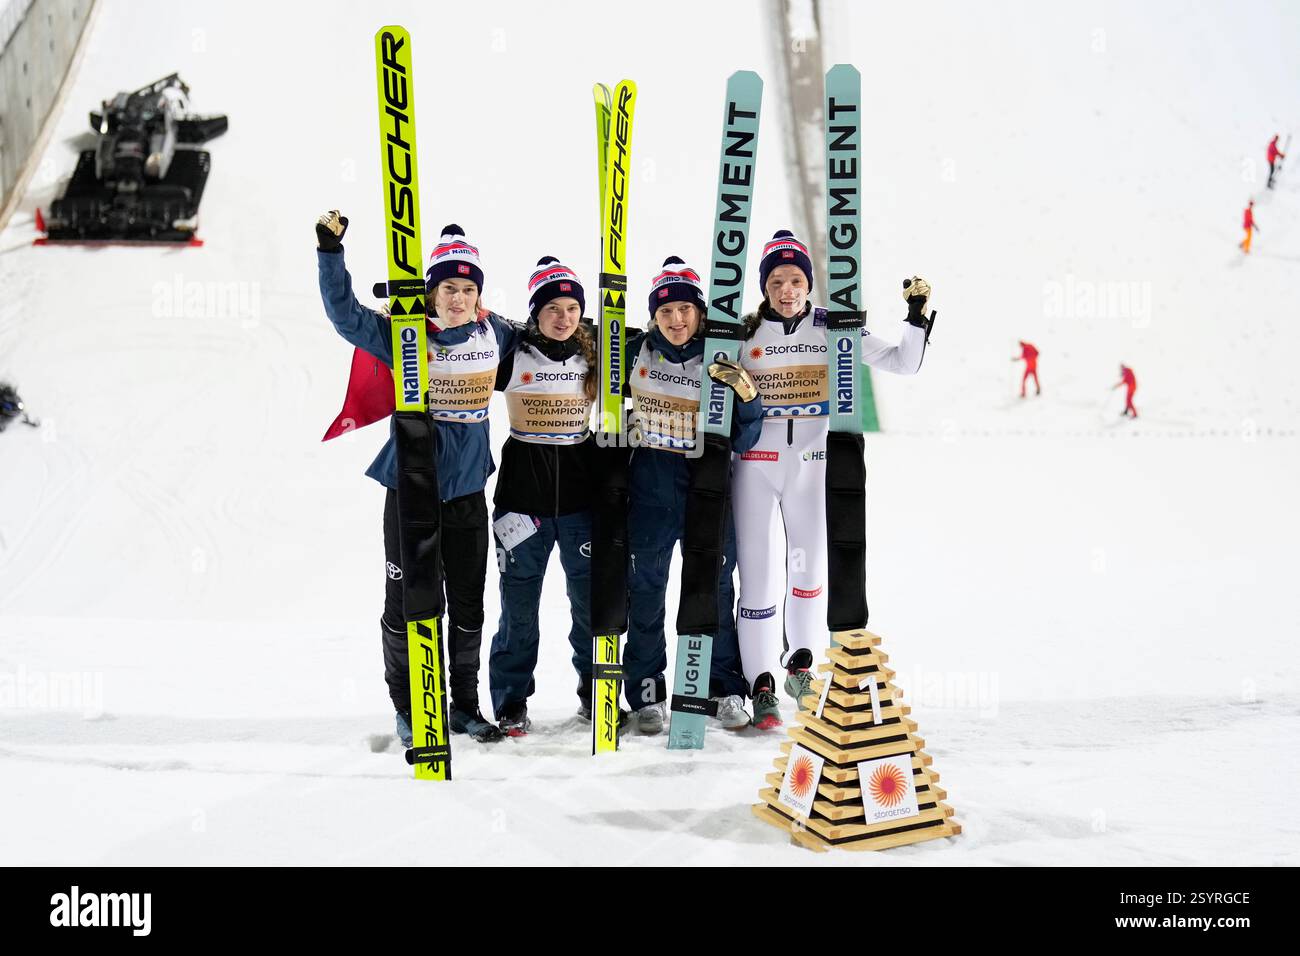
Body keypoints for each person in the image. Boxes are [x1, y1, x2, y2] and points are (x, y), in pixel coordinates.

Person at [316, 211, 515, 745]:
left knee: (468, 602)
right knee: (406, 601)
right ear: (431, 293)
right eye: (448, 288)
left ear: (479, 295)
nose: (458, 299)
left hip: (469, 493)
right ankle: (409, 707)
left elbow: (552, 343)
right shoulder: (403, 333)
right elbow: (344, 316)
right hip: (411, 489)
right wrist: (330, 255)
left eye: (467, 289)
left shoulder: (494, 332)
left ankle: (465, 706)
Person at [734, 230, 932, 730]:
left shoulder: (832, 328)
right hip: (755, 465)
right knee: (757, 580)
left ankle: (801, 666)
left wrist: (914, 318)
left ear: (809, 283)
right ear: (764, 286)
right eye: (776, 280)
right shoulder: (744, 333)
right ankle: (759, 684)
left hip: (811, 461)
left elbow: (903, 363)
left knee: (808, 573)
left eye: (796, 279)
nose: (786, 290)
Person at [623, 256, 764, 734]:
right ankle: (647, 691)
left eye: (685, 310)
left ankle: (721, 687)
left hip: (708, 486)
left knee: (715, 589)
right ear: (653, 316)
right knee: (646, 590)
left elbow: (744, 439)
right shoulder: (634, 351)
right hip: (651, 485)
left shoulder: (722, 355)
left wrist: (747, 394)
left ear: (700, 313)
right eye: (666, 312)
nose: (676, 320)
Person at [488, 257, 603, 735]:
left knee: (590, 607)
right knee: (519, 612)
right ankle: (512, 701)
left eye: (572, 307)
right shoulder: (513, 354)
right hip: (522, 503)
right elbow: (460, 346)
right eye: (552, 307)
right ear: (535, 313)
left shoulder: (597, 352)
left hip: (581, 501)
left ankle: (596, 693)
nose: (564, 316)